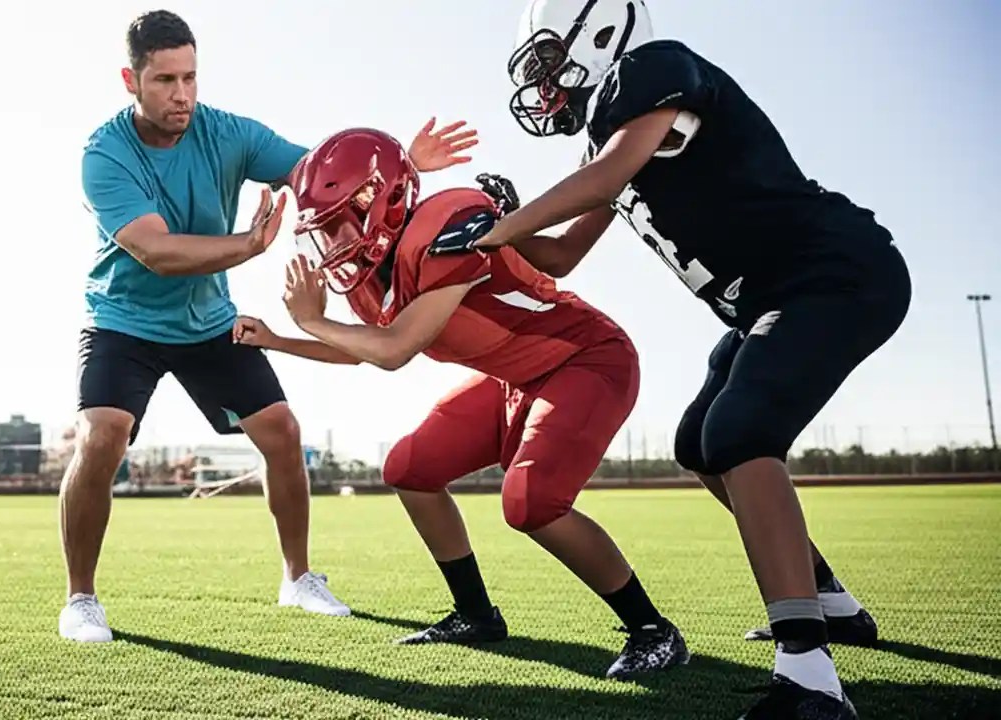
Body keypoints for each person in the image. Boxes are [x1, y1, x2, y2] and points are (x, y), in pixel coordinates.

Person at [429, 1, 910, 716]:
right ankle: (831, 602)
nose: (545, 82)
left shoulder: (651, 68)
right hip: (769, 299)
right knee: (702, 445)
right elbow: (561, 253)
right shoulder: (608, 140)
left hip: (833, 271)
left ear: (599, 34)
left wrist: (500, 227)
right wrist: (498, 229)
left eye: (549, 60)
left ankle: (809, 674)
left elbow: (607, 175)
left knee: (741, 433)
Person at [63, 10, 481, 642]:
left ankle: (298, 578)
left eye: (191, 78)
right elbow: (159, 252)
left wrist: (401, 163)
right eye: (165, 80)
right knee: (103, 436)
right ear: (131, 80)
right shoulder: (105, 155)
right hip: (123, 321)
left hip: (207, 323)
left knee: (283, 432)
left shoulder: (229, 134)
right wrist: (247, 248)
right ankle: (81, 599)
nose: (182, 95)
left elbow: (322, 177)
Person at [235, 127, 690, 680]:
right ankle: (476, 614)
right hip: (512, 379)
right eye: (327, 230)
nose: (336, 242)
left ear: (384, 200)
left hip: (585, 360)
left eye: (342, 223)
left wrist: (311, 320)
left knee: (532, 503)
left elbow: (395, 350)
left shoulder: (448, 226)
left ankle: (652, 631)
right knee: (410, 468)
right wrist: (278, 339)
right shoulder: (370, 278)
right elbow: (361, 352)